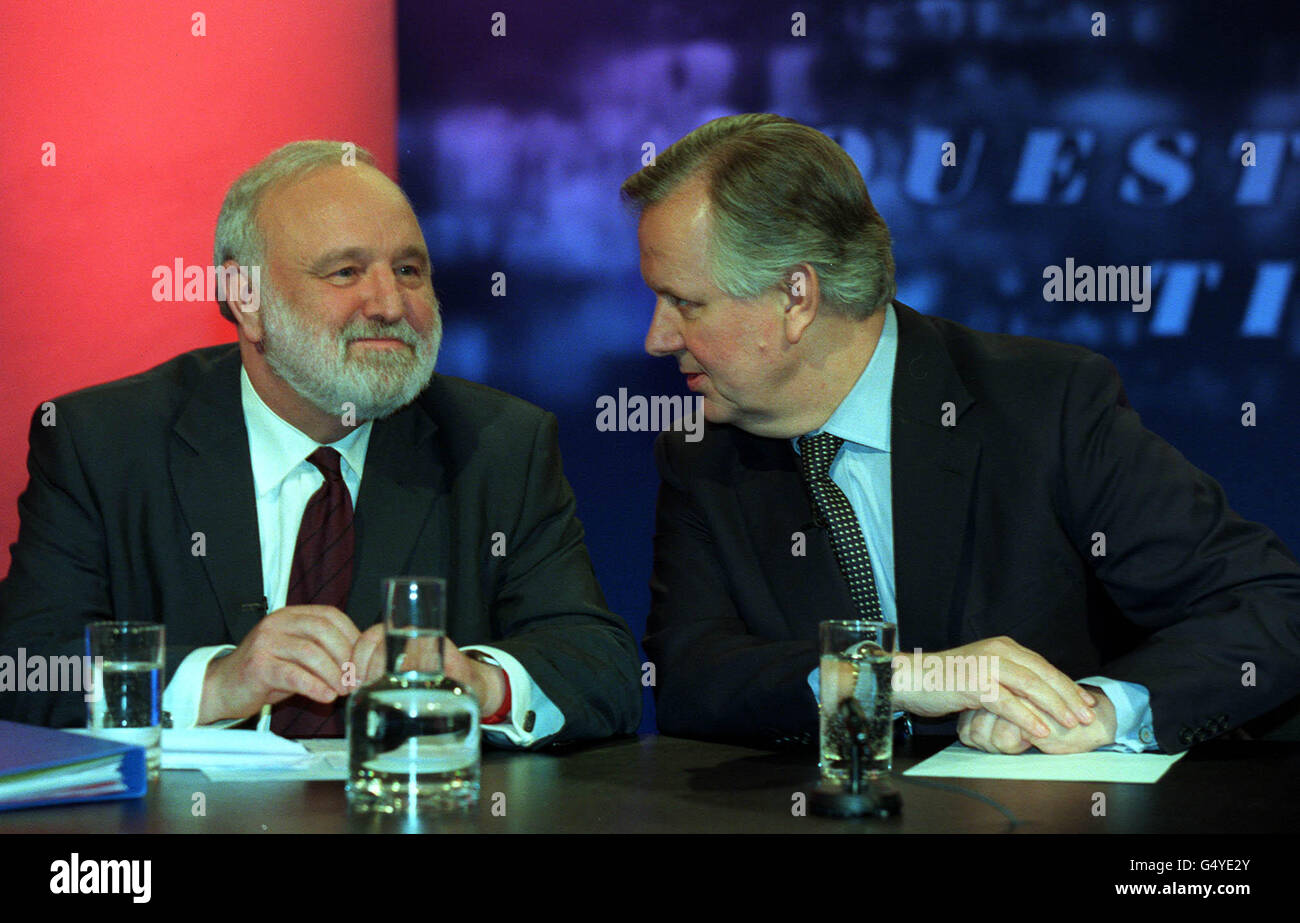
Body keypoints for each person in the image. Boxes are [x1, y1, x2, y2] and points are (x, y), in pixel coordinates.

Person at [625, 113, 1300, 754]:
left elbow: (1271, 604)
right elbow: (691, 680)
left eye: (686, 302)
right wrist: (885, 677)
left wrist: (1098, 711)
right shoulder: (701, 457)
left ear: (796, 297)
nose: (658, 338)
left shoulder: (1045, 406)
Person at [0, 141, 640, 746]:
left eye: (410, 270)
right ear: (244, 298)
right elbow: (29, 670)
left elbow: (599, 667)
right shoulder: (104, 443)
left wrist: (479, 682)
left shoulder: (499, 446)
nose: (390, 303)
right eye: (345, 272)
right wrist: (217, 684)